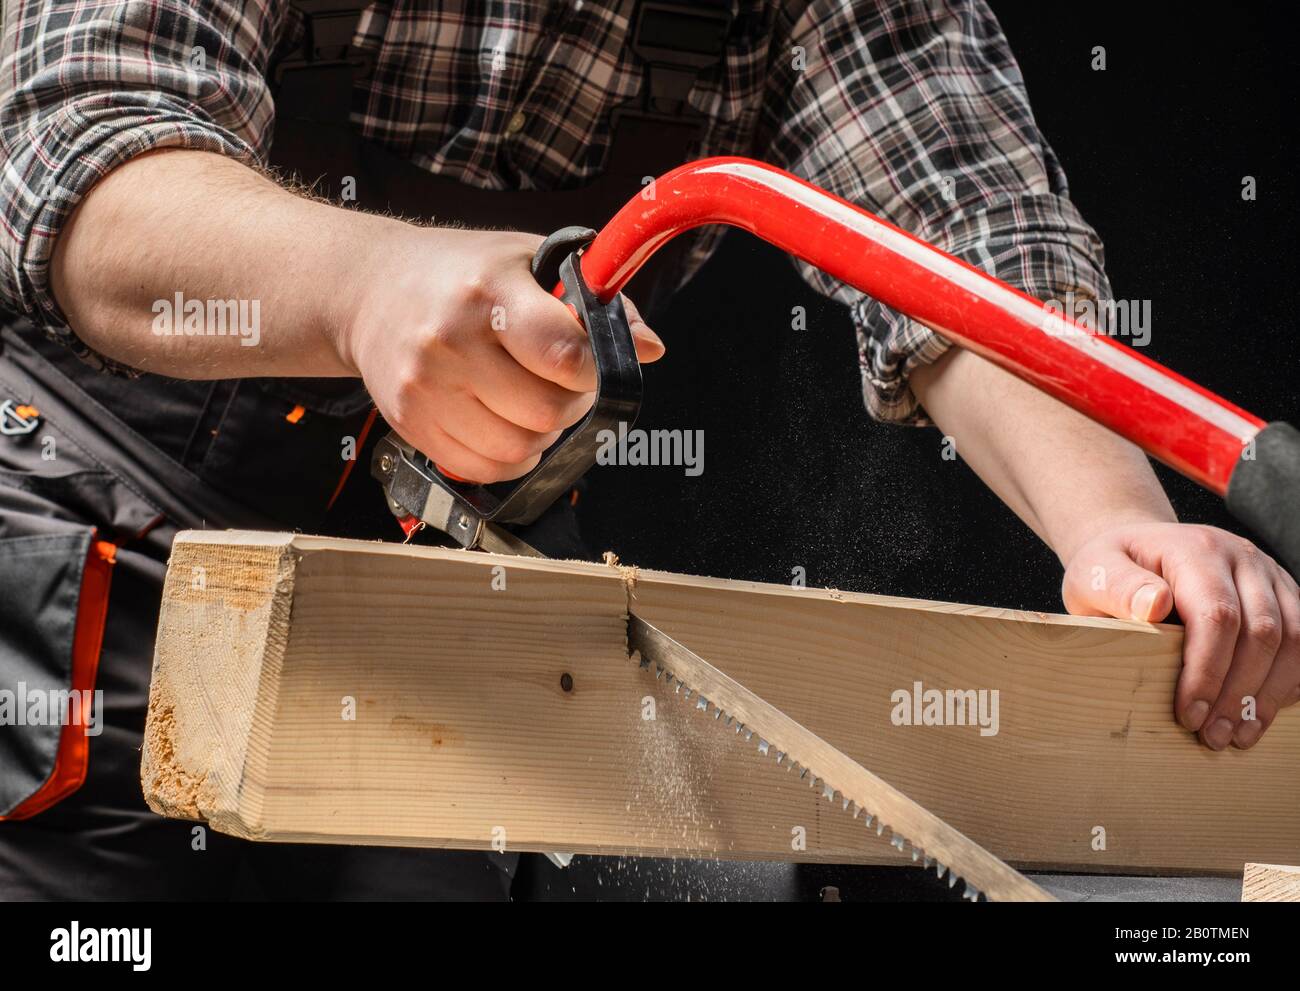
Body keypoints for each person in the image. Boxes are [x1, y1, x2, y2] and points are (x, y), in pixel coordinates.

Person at [0, 0, 1294, 900]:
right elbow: (76, 155)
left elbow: (963, 233)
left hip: (451, 574)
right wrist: (364, 287)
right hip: (107, 524)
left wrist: (1115, 527)